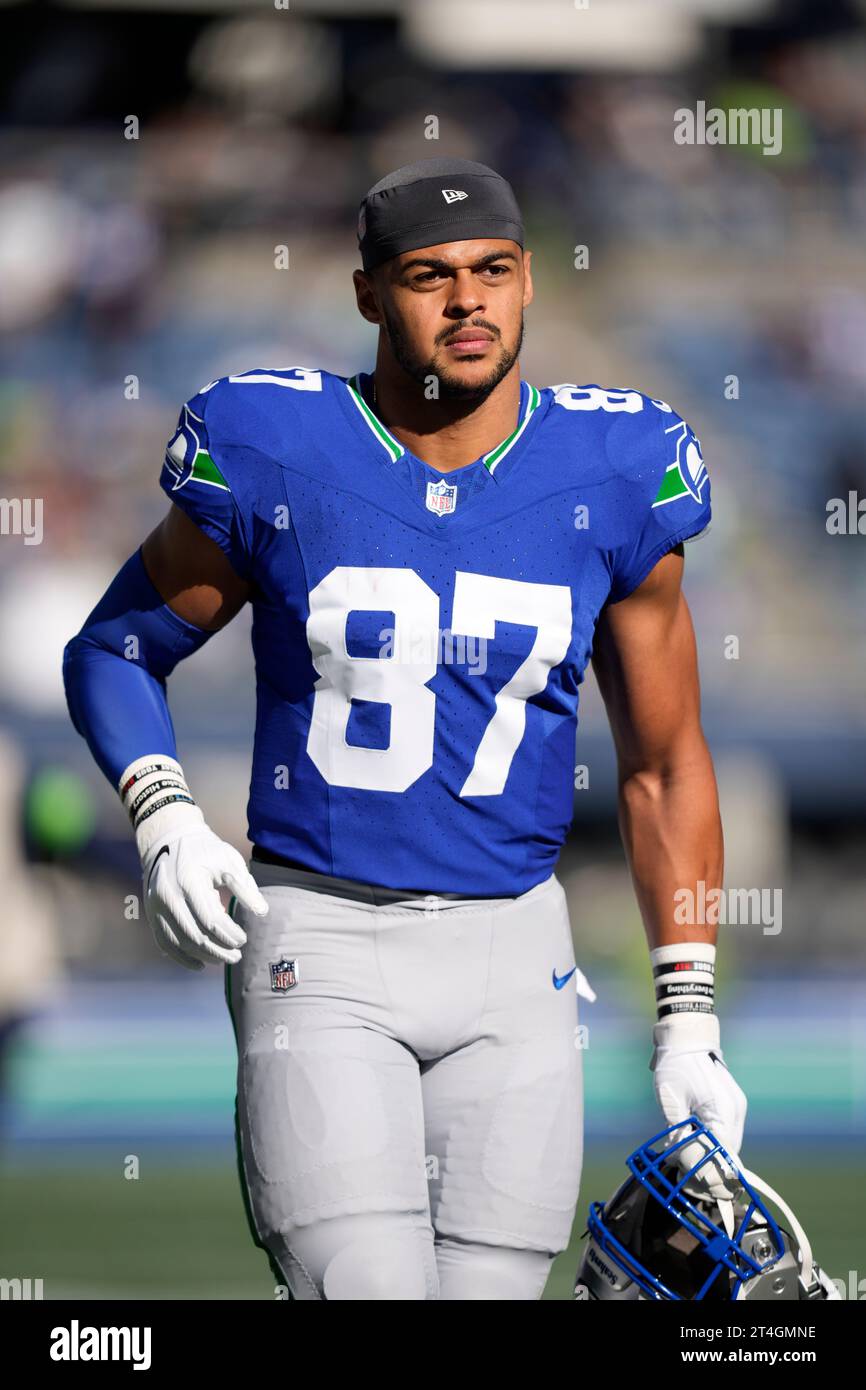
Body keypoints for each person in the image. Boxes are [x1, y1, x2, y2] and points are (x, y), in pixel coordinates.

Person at [63, 157, 746, 1301]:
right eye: (429, 276)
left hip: (516, 953)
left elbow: (663, 763)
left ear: (529, 283)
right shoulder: (279, 443)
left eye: (492, 271)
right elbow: (116, 648)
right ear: (369, 295)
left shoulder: (617, 468)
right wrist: (163, 811)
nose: (467, 301)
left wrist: (688, 1013)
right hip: (320, 937)